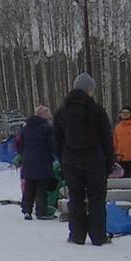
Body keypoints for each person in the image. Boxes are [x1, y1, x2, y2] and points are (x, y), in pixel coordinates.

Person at [54, 73, 115, 245]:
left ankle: (77, 236)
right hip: (95, 161)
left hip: (70, 162)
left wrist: (63, 158)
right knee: (96, 198)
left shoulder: (61, 112)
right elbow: (106, 139)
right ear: (89, 90)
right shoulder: (96, 110)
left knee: (76, 198)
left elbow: (56, 140)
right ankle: (98, 236)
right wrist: (109, 162)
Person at [16, 106, 56, 220]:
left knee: (29, 186)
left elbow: (20, 145)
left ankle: (27, 210)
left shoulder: (25, 128)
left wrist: (23, 155)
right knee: (41, 188)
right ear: (44, 116)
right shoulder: (47, 129)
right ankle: (41, 211)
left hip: (28, 160)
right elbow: (52, 146)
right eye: (48, 115)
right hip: (42, 161)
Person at [114, 106, 131, 178]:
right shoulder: (117, 127)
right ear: (120, 114)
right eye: (123, 112)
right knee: (122, 183)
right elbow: (115, 143)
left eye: (127, 112)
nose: (125, 114)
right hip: (121, 159)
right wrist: (116, 155)